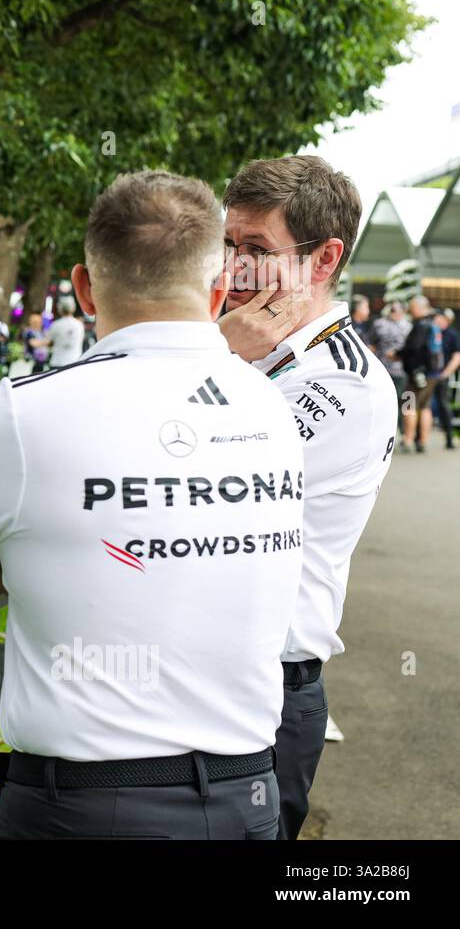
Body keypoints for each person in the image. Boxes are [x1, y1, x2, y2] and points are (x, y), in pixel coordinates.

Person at [0, 170, 303, 840]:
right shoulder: (271, 408)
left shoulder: (26, 414)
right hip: (247, 801)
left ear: (85, 288)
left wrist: (39, 563)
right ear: (216, 291)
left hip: (85, 809)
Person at [216, 154, 397, 838]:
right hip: (198, 669)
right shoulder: (245, 346)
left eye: (257, 250)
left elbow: (202, 483)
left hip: (268, 687)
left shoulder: (345, 382)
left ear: (325, 260)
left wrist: (208, 355)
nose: (232, 269)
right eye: (228, 244)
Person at [401, 295, 441, 453]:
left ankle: (408, 440)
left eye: (412, 307)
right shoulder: (433, 324)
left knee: (408, 405)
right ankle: (423, 440)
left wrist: (399, 354)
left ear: (418, 308)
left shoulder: (421, 325)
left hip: (418, 373)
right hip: (432, 373)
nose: (410, 310)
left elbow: (413, 348)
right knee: (425, 407)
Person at [373, 300, 411, 422]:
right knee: (381, 399)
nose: (393, 312)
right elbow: (372, 343)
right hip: (381, 368)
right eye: (392, 309)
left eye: (396, 310)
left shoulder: (408, 326)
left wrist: (399, 355)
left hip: (400, 370)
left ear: (403, 311)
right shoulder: (380, 323)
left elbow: (411, 347)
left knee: (400, 399)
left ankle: (397, 428)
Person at [432, 308, 459, 449]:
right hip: (429, 375)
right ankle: (415, 437)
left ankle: (449, 438)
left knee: (444, 406)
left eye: (440, 319)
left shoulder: (452, 335)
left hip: (442, 375)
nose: (437, 321)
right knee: (417, 405)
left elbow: (457, 357)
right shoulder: (430, 332)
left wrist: (446, 373)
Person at [45, 296, 84, 366]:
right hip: (75, 362)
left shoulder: (55, 325)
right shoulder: (79, 325)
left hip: (57, 362)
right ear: (73, 308)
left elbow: (49, 342)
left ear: (60, 309)